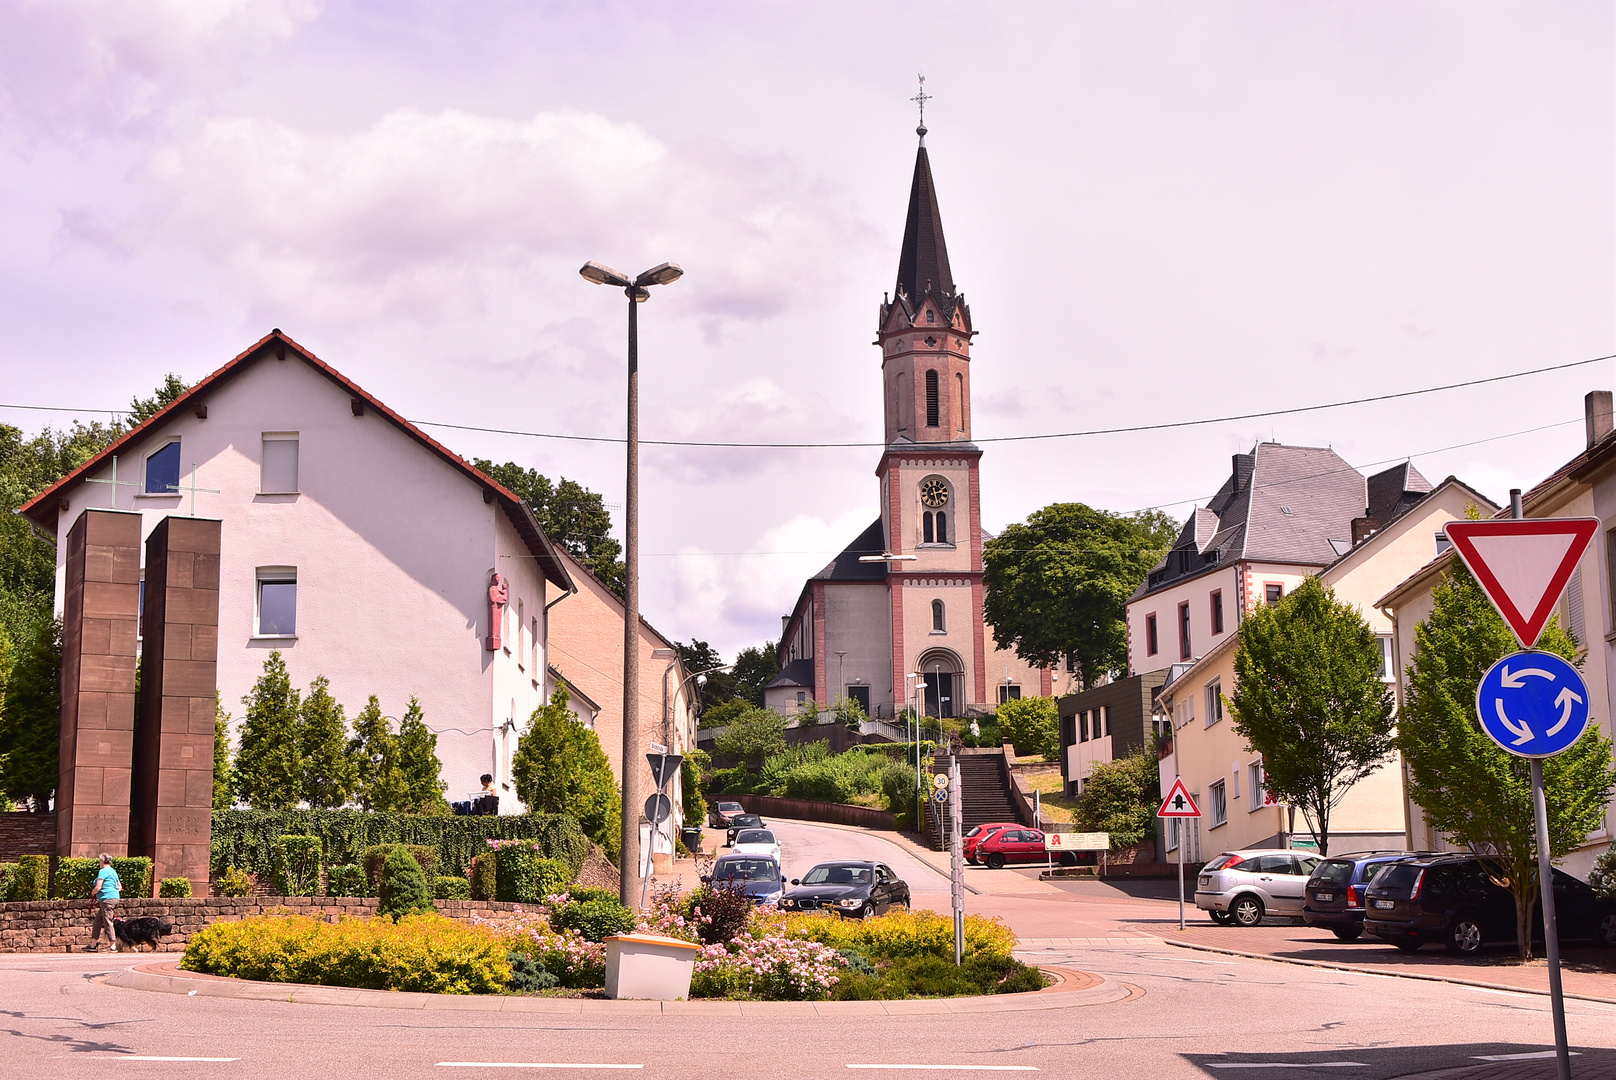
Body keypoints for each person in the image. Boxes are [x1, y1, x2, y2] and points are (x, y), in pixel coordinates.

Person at [86, 854, 120, 953]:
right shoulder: (113, 872)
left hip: (106, 900)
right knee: (98, 921)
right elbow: (119, 887)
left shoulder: (103, 871)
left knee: (107, 921)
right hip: (112, 898)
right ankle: (93, 945)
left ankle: (112, 946)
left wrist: (93, 893)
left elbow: (98, 887)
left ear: (102, 861)